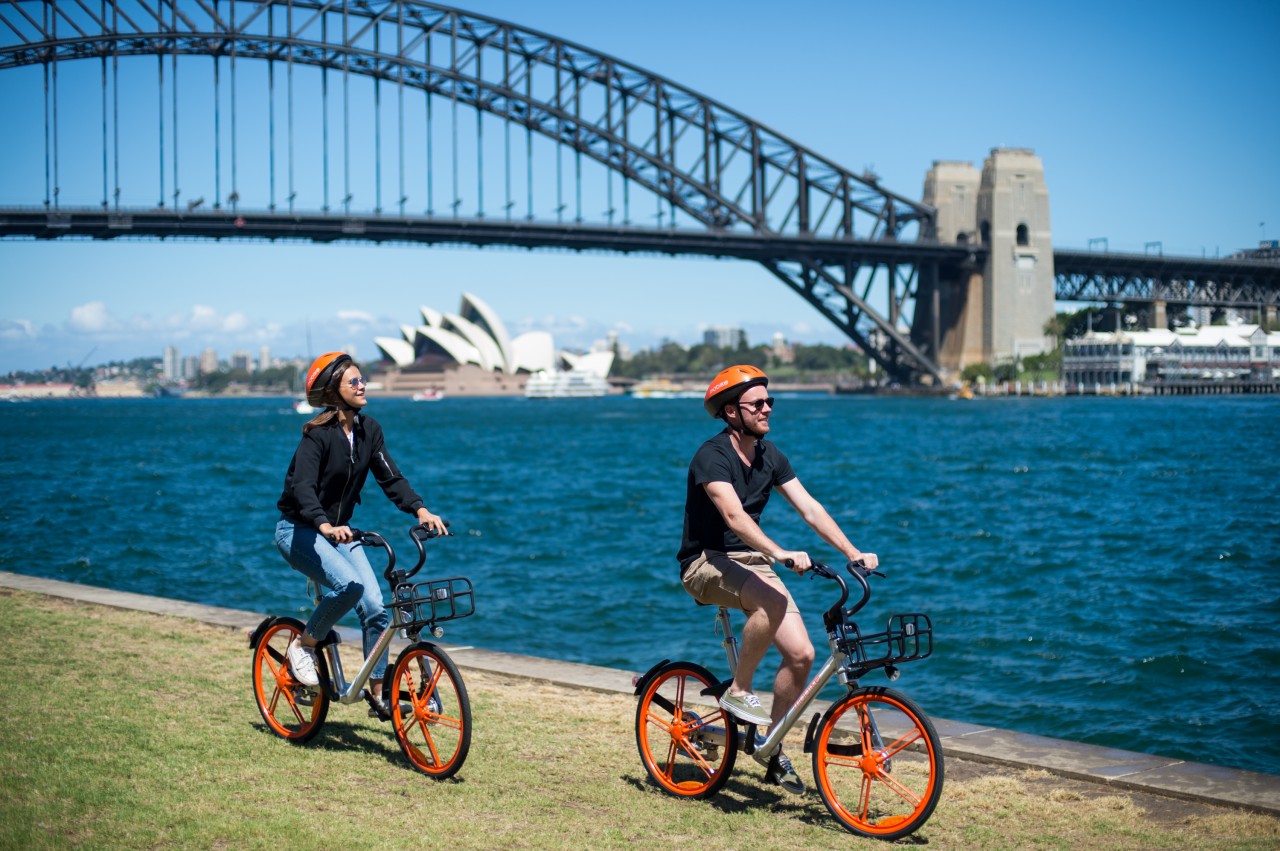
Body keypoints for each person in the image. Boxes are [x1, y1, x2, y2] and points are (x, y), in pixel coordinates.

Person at [677, 364, 878, 794]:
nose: (768, 408)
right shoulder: (711, 456)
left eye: (770, 401)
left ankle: (769, 747)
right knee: (771, 602)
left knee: (803, 655)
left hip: (752, 562)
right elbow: (733, 516)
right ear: (731, 412)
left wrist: (852, 552)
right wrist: (780, 552)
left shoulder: (770, 455)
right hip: (706, 561)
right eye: (758, 403)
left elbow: (809, 507)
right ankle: (740, 689)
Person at [274, 351, 448, 715]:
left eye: (361, 378)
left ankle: (378, 693)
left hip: (341, 535)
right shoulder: (316, 436)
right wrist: (323, 524)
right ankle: (304, 645)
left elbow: (391, 477)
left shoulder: (370, 431)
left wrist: (420, 509)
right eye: (353, 381)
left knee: (376, 609)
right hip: (300, 530)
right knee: (349, 588)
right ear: (335, 392)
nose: (362, 384)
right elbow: (303, 488)